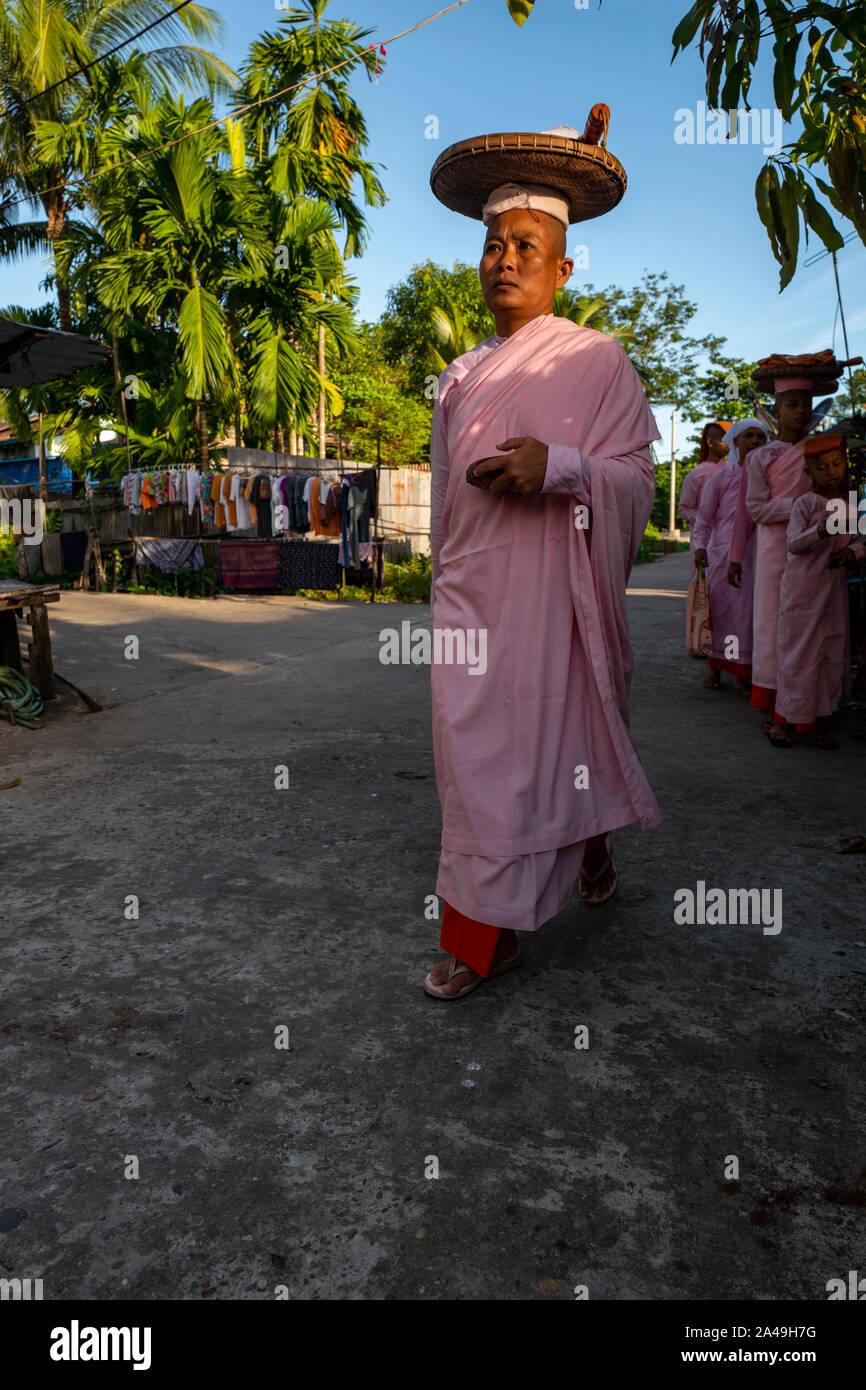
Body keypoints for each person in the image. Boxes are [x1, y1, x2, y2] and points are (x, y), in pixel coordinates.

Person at [424, 115, 661, 999]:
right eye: (493, 243)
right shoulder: (456, 375)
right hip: (470, 601)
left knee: (562, 742)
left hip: (557, 603)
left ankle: (486, 938)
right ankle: (529, 894)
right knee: (477, 765)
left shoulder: (598, 361)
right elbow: (448, 496)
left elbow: (633, 479)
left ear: (563, 269)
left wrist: (557, 467)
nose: (505, 257)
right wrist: (444, 587)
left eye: (526, 244)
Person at [771, 436, 865, 748]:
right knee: (798, 655)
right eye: (822, 467)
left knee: (832, 653)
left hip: (833, 590)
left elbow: (859, 540)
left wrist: (853, 553)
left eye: (837, 464)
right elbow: (794, 544)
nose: (831, 472)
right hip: (802, 591)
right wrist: (822, 529)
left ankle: (822, 723)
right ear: (809, 471)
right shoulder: (805, 503)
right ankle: (782, 720)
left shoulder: (849, 505)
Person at [692, 418, 768, 691]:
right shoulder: (721, 477)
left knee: (746, 615)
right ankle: (716, 669)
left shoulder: (767, 477)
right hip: (720, 555)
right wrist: (700, 547)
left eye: (761, 437)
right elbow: (704, 517)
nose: (756, 442)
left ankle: (741, 674)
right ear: (735, 441)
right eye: (749, 436)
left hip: (755, 557)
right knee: (721, 613)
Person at [678, 422, 729, 583]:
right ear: (710, 442)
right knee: (704, 589)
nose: (728, 444)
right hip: (704, 540)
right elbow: (684, 508)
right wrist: (706, 519)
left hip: (728, 538)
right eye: (724, 440)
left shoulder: (732, 470)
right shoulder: (696, 474)